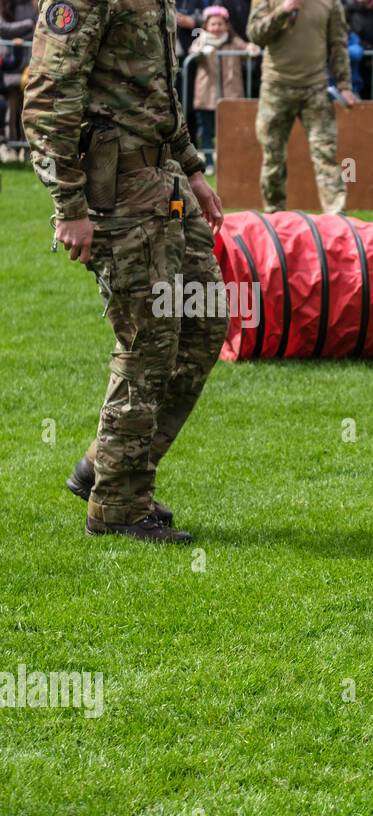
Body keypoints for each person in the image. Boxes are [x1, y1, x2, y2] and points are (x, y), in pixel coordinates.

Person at [24, 0, 228, 543]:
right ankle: (117, 506)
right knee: (148, 343)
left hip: (166, 182)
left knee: (206, 324)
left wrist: (193, 169)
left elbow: (155, 93)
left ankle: (107, 465)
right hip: (118, 195)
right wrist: (69, 207)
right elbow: (47, 99)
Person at [248, 0, 357, 215]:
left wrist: (344, 84)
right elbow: (255, 35)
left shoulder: (331, 3)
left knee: (326, 155)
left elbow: (338, 44)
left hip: (315, 89)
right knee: (273, 157)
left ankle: (336, 217)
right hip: (275, 88)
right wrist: (283, 11)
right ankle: (274, 216)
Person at [190, 6, 257, 167]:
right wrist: (200, 52)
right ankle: (210, 163)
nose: (217, 28)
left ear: (227, 25)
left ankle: (231, 162)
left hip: (231, 94)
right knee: (208, 132)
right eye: (213, 24)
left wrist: (251, 48)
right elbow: (193, 52)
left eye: (220, 24)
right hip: (207, 94)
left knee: (231, 131)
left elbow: (246, 47)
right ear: (206, 26)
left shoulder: (233, 40)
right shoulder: (201, 40)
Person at [0, 0, 34, 161]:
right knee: (12, 112)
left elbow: (38, 28)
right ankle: (12, 147)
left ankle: (26, 149)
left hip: (29, 67)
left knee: (28, 110)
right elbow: (3, 29)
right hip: (11, 68)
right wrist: (28, 25)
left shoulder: (33, 4)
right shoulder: (4, 5)